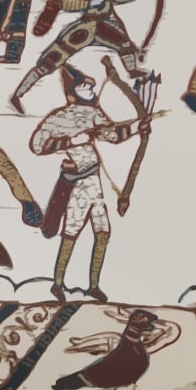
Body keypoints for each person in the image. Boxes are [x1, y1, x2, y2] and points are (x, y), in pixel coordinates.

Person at [10, 0, 167, 112]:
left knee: (124, 44)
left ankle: (132, 71)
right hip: (87, 25)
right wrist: (90, 2)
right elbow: (67, 3)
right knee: (53, 57)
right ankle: (18, 95)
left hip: (105, 22)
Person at [28, 63, 142, 299]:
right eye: (83, 87)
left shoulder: (94, 113)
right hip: (77, 184)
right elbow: (37, 145)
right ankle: (58, 283)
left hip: (94, 181)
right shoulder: (59, 118)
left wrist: (136, 127)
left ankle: (94, 285)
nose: (90, 90)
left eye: (90, 86)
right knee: (71, 232)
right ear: (71, 94)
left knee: (103, 232)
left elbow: (111, 134)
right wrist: (70, 142)